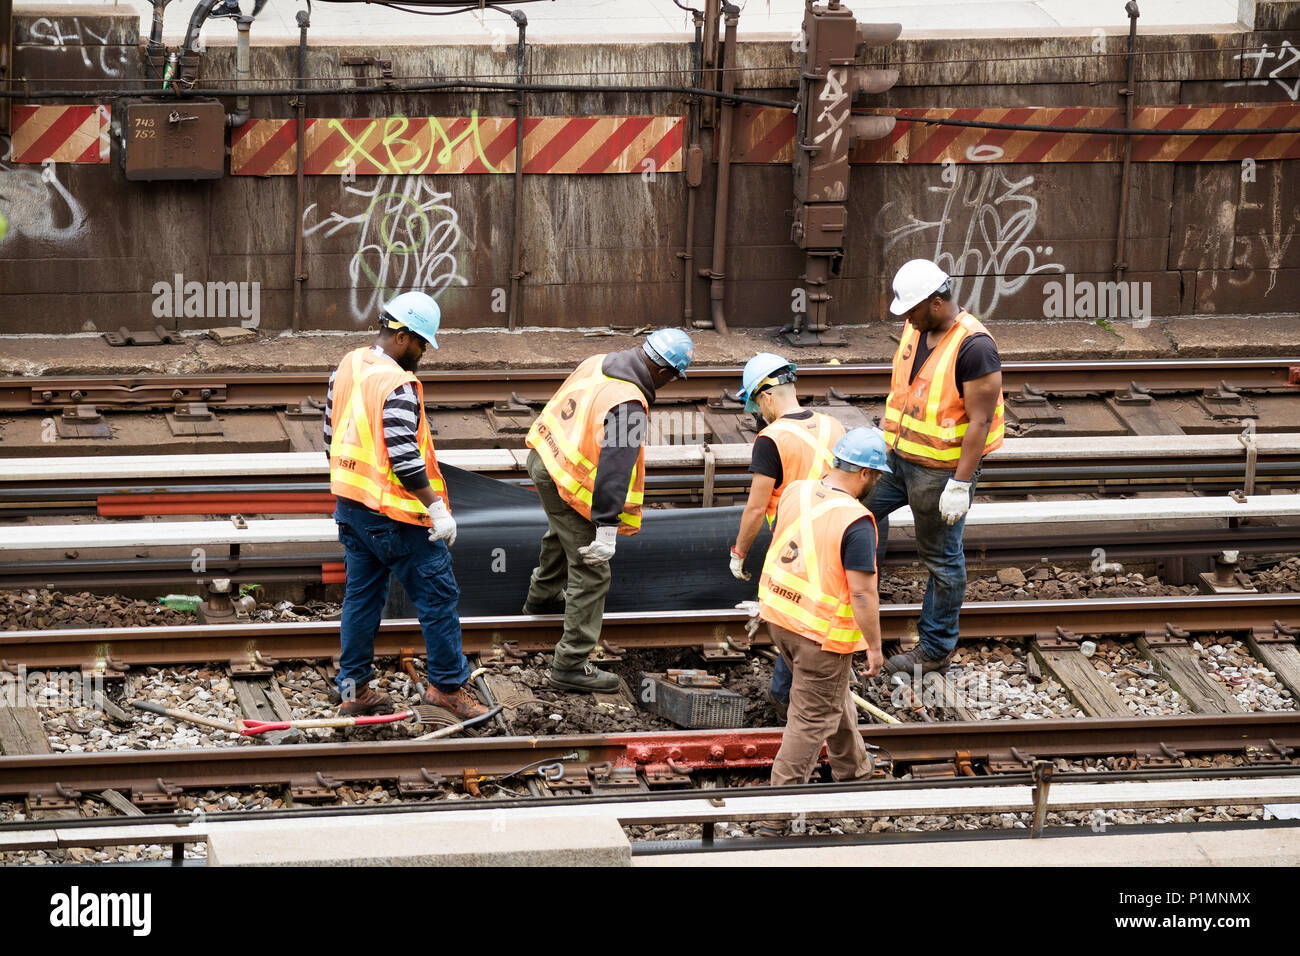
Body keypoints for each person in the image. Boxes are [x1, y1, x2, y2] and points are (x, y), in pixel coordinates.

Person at [324, 291, 488, 719]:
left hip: (351, 504)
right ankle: (447, 688)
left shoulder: (350, 364)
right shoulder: (396, 383)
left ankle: (353, 686)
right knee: (438, 596)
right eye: (420, 344)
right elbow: (402, 455)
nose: (422, 354)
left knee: (361, 597)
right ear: (401, 336)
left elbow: (330, 434)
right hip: (394, 515)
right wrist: (435, 508)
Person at [522, 328, 694, 692]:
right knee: (591, 569)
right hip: (568, 480)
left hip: (545, 458)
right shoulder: (630, 405)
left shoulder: (597, 363)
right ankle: (569, 664)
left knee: (562, 532)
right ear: (664, 372)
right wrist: (605, 528)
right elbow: (615, 471)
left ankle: (542, 597)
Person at [868, 259, 1004, 677]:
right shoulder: (917, 326)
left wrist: (960, 484)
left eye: (912, 309)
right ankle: (857, 609)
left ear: (938, 302)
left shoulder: (975, 347)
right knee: (856, 514)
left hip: (939, 471)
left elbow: (979, 421)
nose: (905, 317)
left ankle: (936, 648)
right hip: (895, 457)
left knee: (941, 559)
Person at [756, 427, 890, 811]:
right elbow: (863, 593)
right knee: (810, 721)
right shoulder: (857, 520)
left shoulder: (797, 490)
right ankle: (777, 810)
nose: (876, 484)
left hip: (780, 616)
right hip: (820, 635)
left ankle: (855, 772)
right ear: (865, 473)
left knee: (830, 696)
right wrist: (875, 647)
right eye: (877, 476)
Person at [729, 352, 846, 719]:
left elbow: (754, 507)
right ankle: (804, 692)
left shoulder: (771, 438)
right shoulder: (834, 427)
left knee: (796, 619)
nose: (757, 412)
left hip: (797, 548)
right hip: (838, 537)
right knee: (816, 621)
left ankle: (788, 704)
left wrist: (739, 552)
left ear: (766, 397)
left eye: (753, 403)